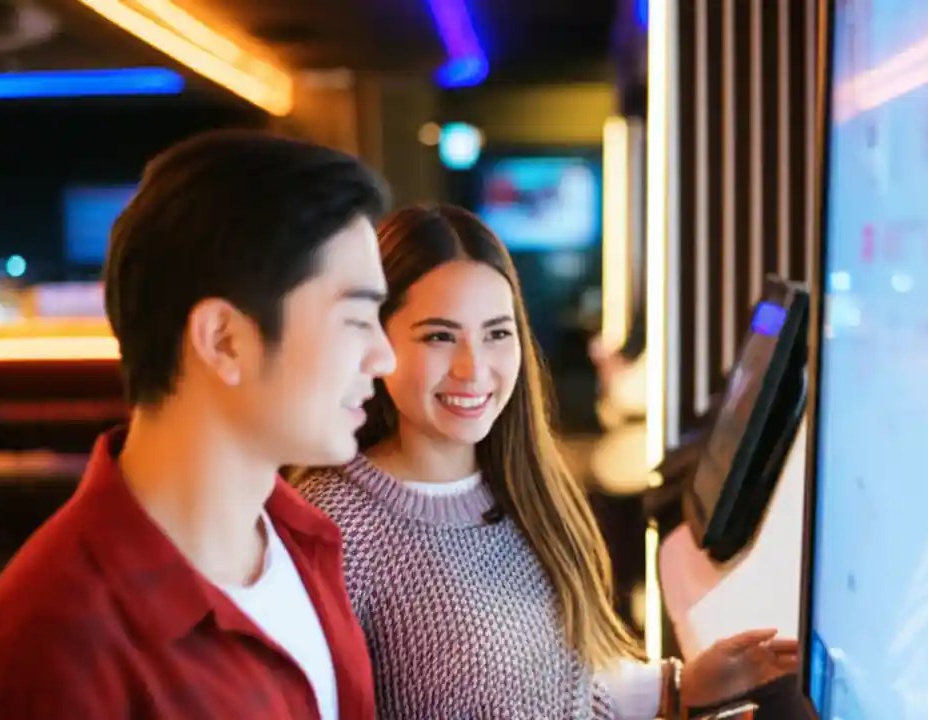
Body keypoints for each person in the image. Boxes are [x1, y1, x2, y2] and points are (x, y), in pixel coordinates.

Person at [0, 130, 396, 719]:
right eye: (356, 320)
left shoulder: (304, 542)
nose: (384, 357)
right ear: (224, 341)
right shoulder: (53, 655)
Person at [294, 204, 803, 719]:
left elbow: (549, 694)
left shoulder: (521, 487)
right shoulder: (333, 528)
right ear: (377, 344)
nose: (475, 369)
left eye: (497, 333)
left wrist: (680, 686)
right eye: (440, 336)